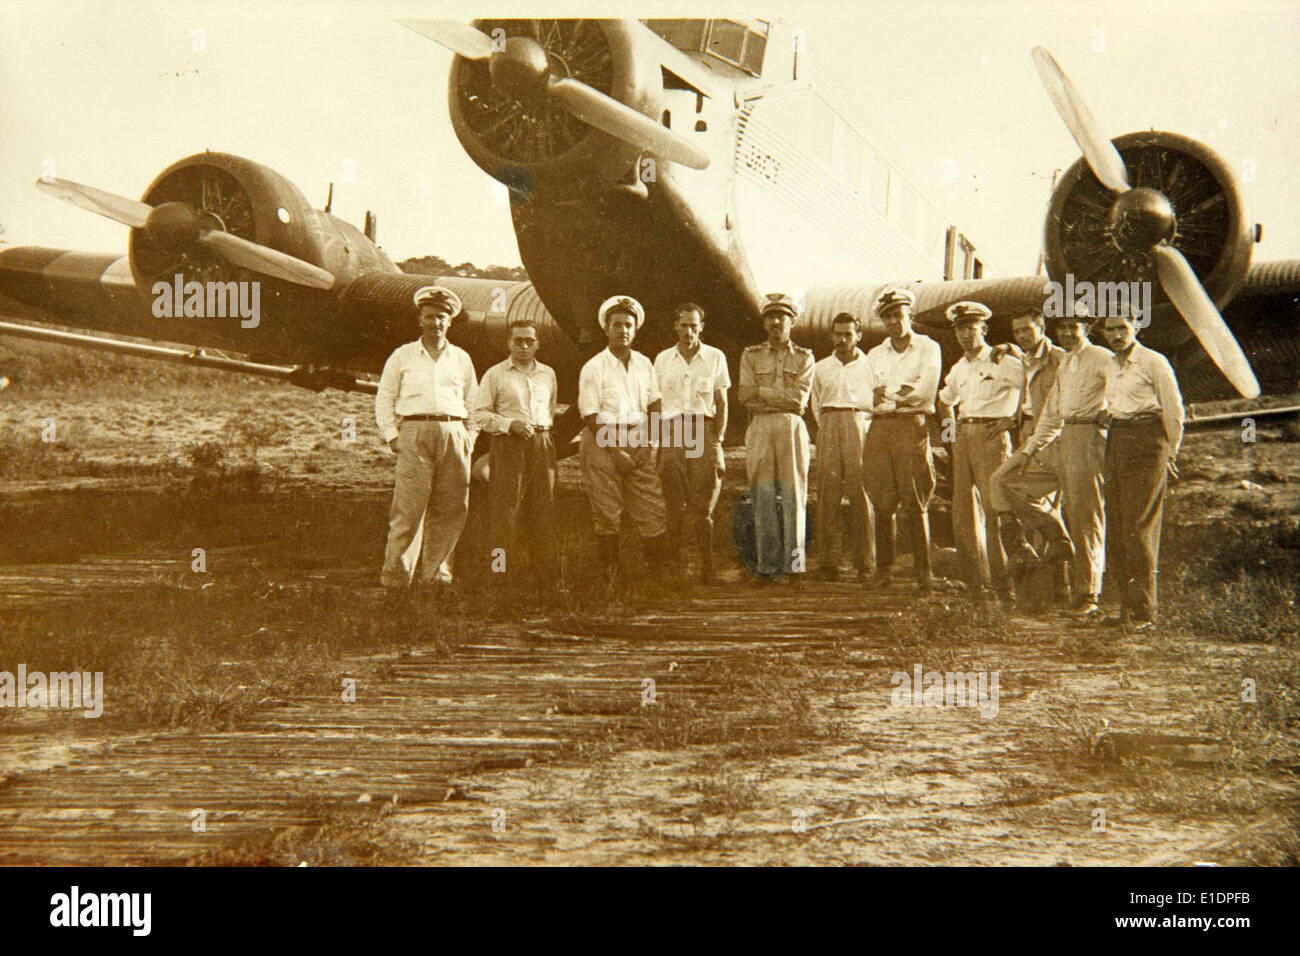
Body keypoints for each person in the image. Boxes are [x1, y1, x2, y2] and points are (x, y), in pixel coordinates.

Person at [995, 306, 1112, 616]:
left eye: (1075, 327)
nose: (1068, 333)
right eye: (1063, 328)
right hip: (1058, 441)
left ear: (1087, 328)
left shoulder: (1101, 358)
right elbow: (1049, 417)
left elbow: (1121, 386)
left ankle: (1088, 593)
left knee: (1087, 518)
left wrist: (1110, 412)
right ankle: (1058, 540)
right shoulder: (1067, 363)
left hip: (1087, 438)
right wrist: (1028, 452)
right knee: (1007, 480)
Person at [375, 285, 478, 588]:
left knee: (450, 508)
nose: (436, 323)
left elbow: (473, 400)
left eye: (442, 318)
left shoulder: (461, 358)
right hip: (415, 432)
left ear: (450, 322)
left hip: (454, 433)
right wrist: (392, 436)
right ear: (420, 319)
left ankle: (437, 578)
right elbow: (384, 397)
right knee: (408, 509)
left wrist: (469, 435)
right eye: (430, 317)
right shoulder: (402, 356)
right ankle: (396, 579)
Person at [1099, 309, 1183, 630]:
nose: (1117, 335)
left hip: (1149, 442)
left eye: (1122, 327)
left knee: (1138, 525)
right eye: (1110, 330)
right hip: (1118, 439)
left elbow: (1173, 409)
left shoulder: (1154, 362)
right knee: (1117, 525)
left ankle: (1144, 613)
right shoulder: (1109, 365)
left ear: (1135, 326)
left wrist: (1171, 453)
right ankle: (1125, 609)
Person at [577, 294, 671, 575]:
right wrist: (615, 451)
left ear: (635, 328)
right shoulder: (594, 367)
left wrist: (650, 440)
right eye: (617, 324)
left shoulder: (644, 364)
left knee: (652, 506)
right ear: (606, 328)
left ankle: (657, 573)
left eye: (628, 324)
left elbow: (654, 401)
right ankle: (611, 575)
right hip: (603, 441)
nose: (623, 330)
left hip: (638, 438)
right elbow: (590, 412)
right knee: (607, 510)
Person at [937, 301, 1025, 598]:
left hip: (991, 436)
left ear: (984, 329)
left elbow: (1033, 382)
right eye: (960, 329)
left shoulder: (1003, 359)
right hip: (964, 435)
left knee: (995, 508)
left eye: (971, 328)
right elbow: (945, 400)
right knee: (963, 512)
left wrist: (1013, 420)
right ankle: (976, 582)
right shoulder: (959, 367)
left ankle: (1005, 585)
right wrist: (950, 436)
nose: (964, 335)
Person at [863, 287, 942, 591]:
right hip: (881, 427)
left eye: (899, 314)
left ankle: (924, 572)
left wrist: (889, 395)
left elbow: (924, 391)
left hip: (911, 426)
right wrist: (900, 394)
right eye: (888, 317)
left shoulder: (928, 348)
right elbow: (867, 393)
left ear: (910, 314)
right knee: (883, 499)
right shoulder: (875, 354)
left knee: (915, 498)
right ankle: (885, 570)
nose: (895, 321)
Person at [472, 318, 559, 587]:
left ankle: (545, 578)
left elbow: (551, 409)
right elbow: (479, 414)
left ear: (537, 344)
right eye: (518, 341)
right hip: (509, 445)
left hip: (542, 444)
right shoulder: (495, 374)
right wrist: (509, 424)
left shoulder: (548, 374)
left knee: (545, 510)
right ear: (508, 343)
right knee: (505, 512)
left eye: (529, 341)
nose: (523, 346)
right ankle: (500, 575)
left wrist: (539, 432)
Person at [738, 293, 815, 580]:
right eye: (770, 317)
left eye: (781, 317)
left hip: (791, 425)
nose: (775, 322)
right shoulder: (751, 354)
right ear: (764, 322)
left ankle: (794, 565)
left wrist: (764, 392)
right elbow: (745, 395)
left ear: (792, 321)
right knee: (763, 493)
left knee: (795, 492)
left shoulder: (805, 356)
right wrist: (772, 397)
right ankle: (767, 566)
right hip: (760, 426)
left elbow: (798, 400)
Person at [653, 302, 731, 583]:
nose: (688, 331)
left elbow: (721, 402)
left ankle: (707, 569)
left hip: (702, 429)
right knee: (673, 503)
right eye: (684, 325)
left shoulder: (715, 357)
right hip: (673, 430)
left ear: (702, 327)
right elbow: (656, 402)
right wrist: (657, 441)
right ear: (676, 326)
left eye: (694, 326)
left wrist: (717, 440)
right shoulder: (662, 359)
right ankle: (673, 569)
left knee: (703, 504)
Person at [810, 312, 876, 582]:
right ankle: (828, 562)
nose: (842, 339)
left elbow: (875, 399)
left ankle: (866, 563)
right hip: (828, 423)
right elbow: (815, 403)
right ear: (831, 336)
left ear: (858, 336)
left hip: (859, 423)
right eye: (837, 334)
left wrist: (860, 424)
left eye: (848, 334)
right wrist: (829, 423)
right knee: (828, 492)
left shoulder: (870, 365)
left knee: (861, 492)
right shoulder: (821, 367)